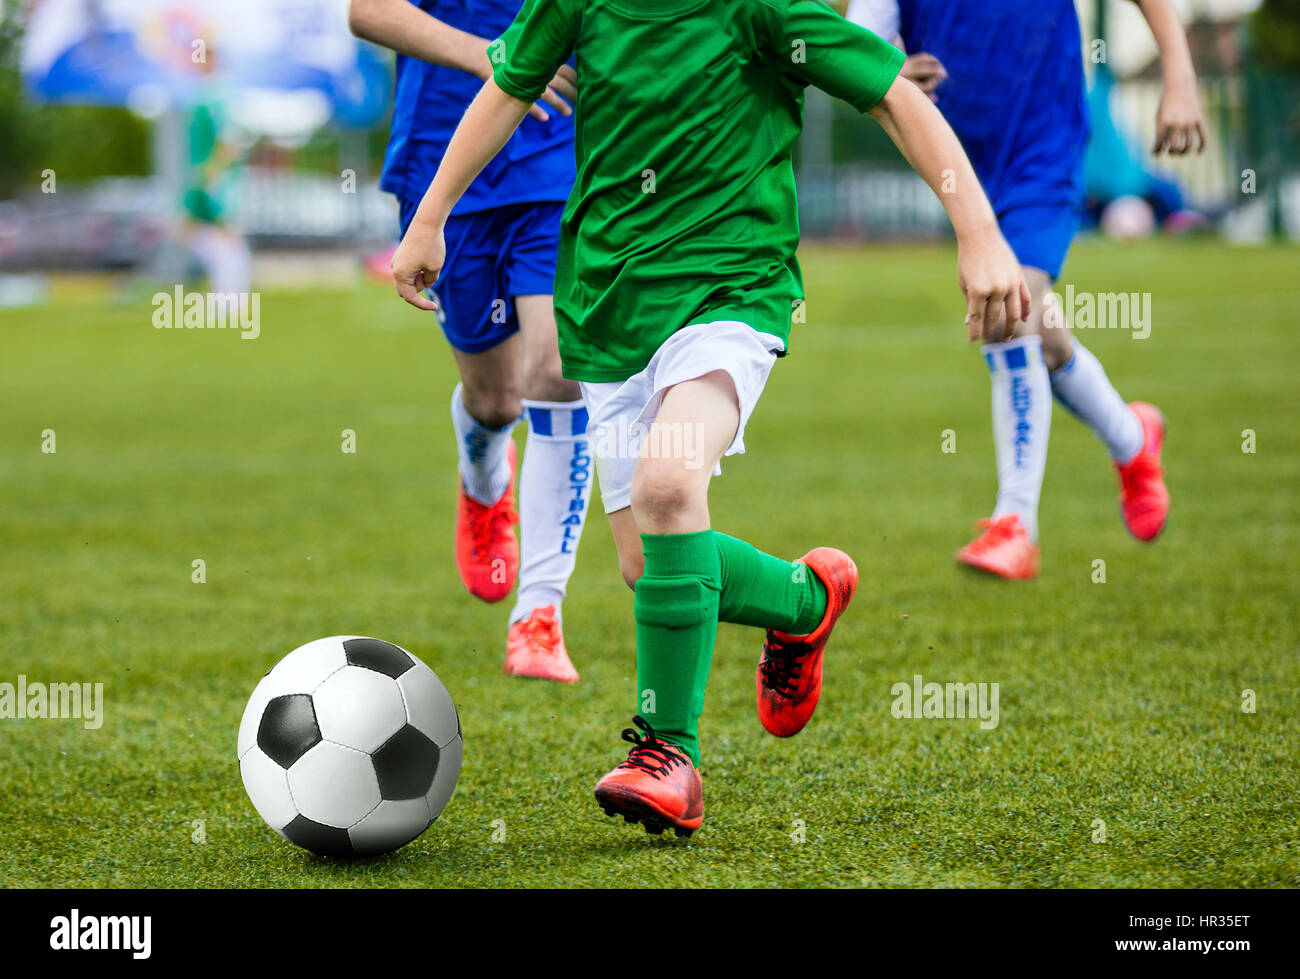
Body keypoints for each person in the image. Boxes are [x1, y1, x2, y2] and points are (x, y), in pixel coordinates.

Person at [392, 0, 1029, 836]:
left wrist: (979, 231)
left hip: (732, 293)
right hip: (607, 306)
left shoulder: (762, 7)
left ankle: (668, 756)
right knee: (646, 565)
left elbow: (896, 98)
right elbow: (507, 89)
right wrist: (431, 215)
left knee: (665, 487)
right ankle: (805, 600)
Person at [847, 0, 1207, 578]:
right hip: (962, 167)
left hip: (1047, 147)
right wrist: (891, 70)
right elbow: (857, 51)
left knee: (1008, 312)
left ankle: (1016, 522)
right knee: (1042, 333)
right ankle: (1132, 437)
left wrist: (1179, 75)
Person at [349, 0, 591, 681]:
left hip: (558, 150)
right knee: (497, 400)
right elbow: (367, 13)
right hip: (447, 157)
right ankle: (485, 478)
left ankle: (539, 612)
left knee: (560, 370)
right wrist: (491, 56)